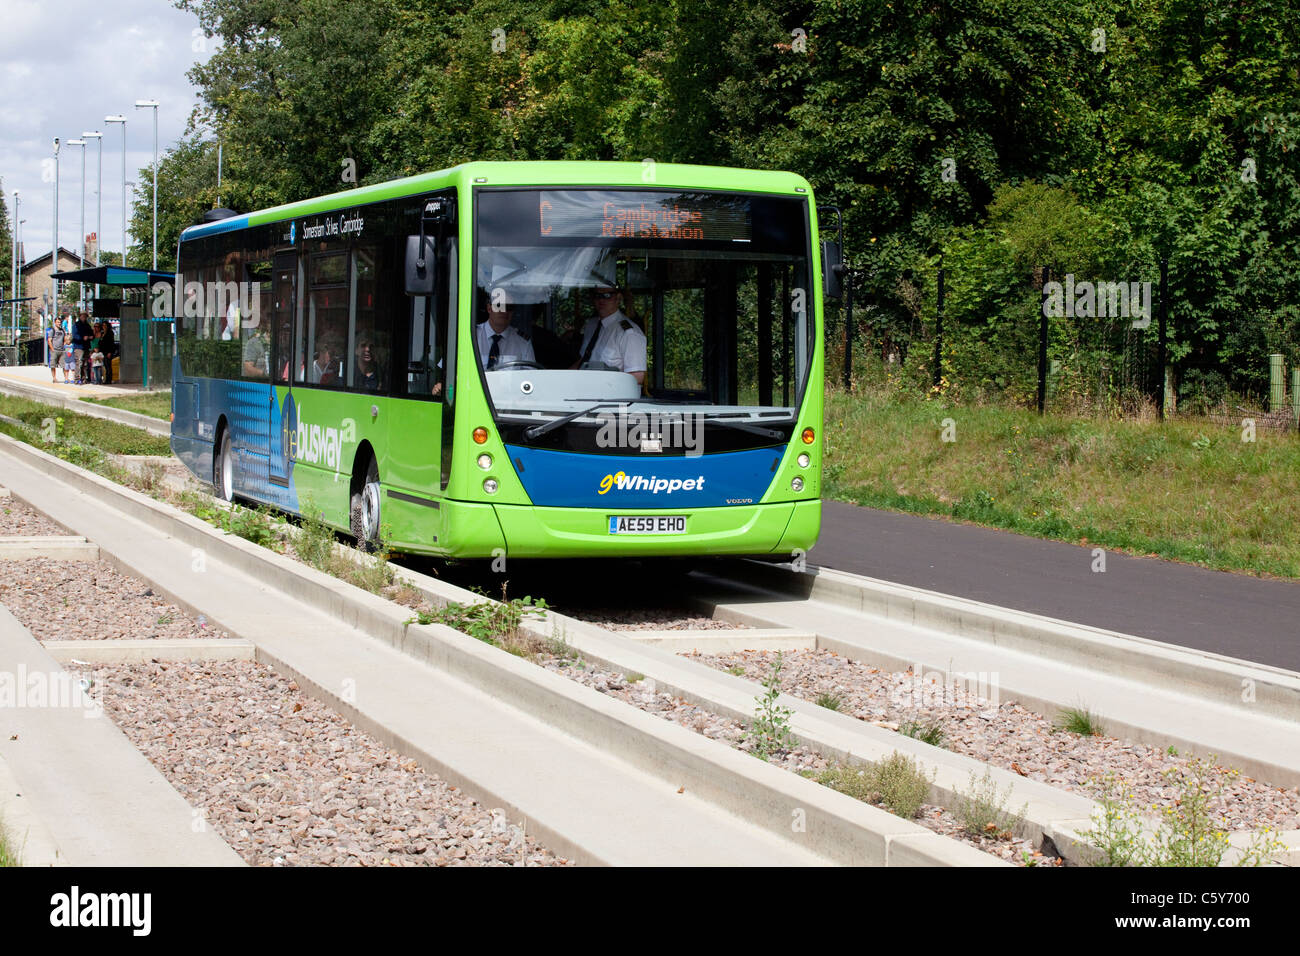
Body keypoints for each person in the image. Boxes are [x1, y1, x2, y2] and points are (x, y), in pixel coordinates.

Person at [573, 286, 646, 385]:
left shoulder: (629, 333)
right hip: (582, 389)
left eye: (607, 295)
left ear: (618, 298)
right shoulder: (591, 325)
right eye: (597, 295)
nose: (601, 300)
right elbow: (583, 361)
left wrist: (604, 385)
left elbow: (637, 377)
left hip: (610, 396)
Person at [475, 293, 535, 370]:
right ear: (489, 308)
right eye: (499, 305)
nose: (504, 311)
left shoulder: (523, 343)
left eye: (509, 307)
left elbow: (529, 376)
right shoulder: (472, 336)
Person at [72, 312, 94, 385]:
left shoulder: (87, 325)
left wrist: (91, 337)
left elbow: (91, 333)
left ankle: (83, 378)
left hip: (86, 346)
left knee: (85, 364)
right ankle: (76, 379)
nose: (84, 317)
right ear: (80, 316)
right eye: (83, 316)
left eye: (85, 316)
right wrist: (82, 338)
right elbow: (75, 336)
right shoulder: (76, 325)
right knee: (79, 362)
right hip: (78, 346)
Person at [46, 318, 67, 383]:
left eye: (60, 322)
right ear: (55, 323)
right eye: (58, 322)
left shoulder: (62, 330)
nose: (59, 323)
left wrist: (64, 345)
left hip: (62, 350)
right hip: (54, 350)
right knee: (53, 365)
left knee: (64, 365)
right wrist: (52, 349)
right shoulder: (52, 330)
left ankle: (66, 378)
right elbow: (49, 340)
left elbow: (65, 339)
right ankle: (54, 378)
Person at [99, 320, 116, 385]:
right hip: (103, 351)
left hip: (108, 351)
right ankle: (106, 379)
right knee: (105, 366)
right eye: (103, 325)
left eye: (105, 325)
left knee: (108, 366)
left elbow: (111, 343)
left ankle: (109, 379)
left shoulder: (110, 333)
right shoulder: (102, 333)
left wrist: (110, 352)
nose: (104, 327)